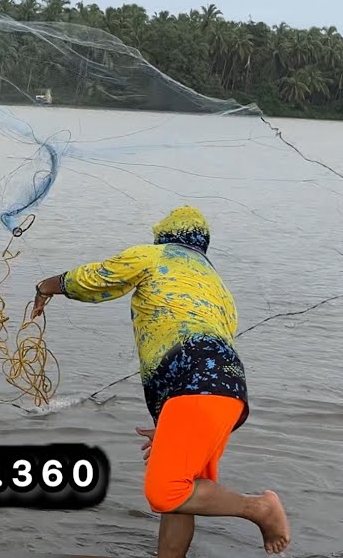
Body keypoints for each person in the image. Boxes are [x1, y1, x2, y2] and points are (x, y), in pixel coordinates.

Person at [30, 206, 291, 558]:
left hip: (193, 384)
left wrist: (47, 286)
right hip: (225, 390)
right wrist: (173, 422)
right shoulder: (213, 280)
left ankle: (258, 508)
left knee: (165, 491)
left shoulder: (155, 255)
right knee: (184, 493)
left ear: (164, 235)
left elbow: (99, 278)